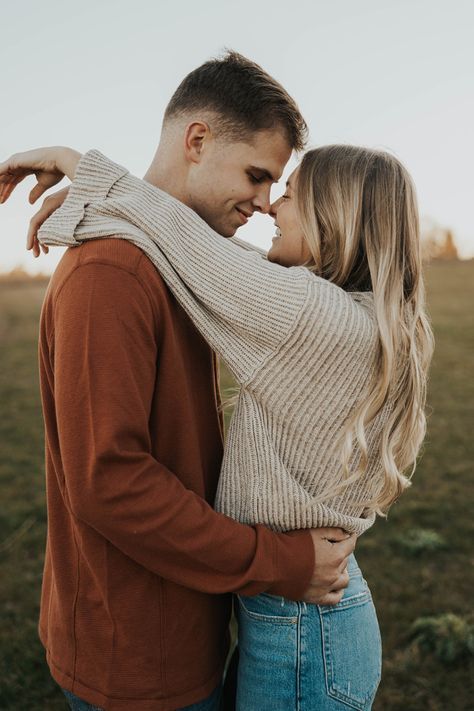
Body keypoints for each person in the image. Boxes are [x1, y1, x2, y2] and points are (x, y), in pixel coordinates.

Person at [0, 53, 357, 711]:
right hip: (136, 656)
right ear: (197, 140)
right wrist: (283, 562)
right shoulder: (112, 271)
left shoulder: (188, 262)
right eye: (256, 174)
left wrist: (97, 180)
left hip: (182, 624)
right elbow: (113, 482)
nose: (262, 202)